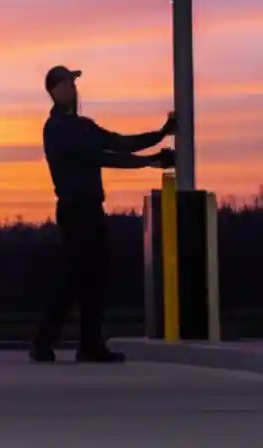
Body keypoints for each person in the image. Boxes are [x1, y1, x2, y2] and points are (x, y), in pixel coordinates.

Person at [30, 65, 175, 363]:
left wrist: (160, 135)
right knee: (77, 277)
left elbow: (119, 142)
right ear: (54, 91)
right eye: (66, 83)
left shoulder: (83, 126)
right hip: (75, 210)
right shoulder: (57, 129)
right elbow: (101, 157)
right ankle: (48, 341)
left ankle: (87, 345)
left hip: (91, 209)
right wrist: (149, 162)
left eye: (73, 82)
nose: (73, 88)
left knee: (92, 278)